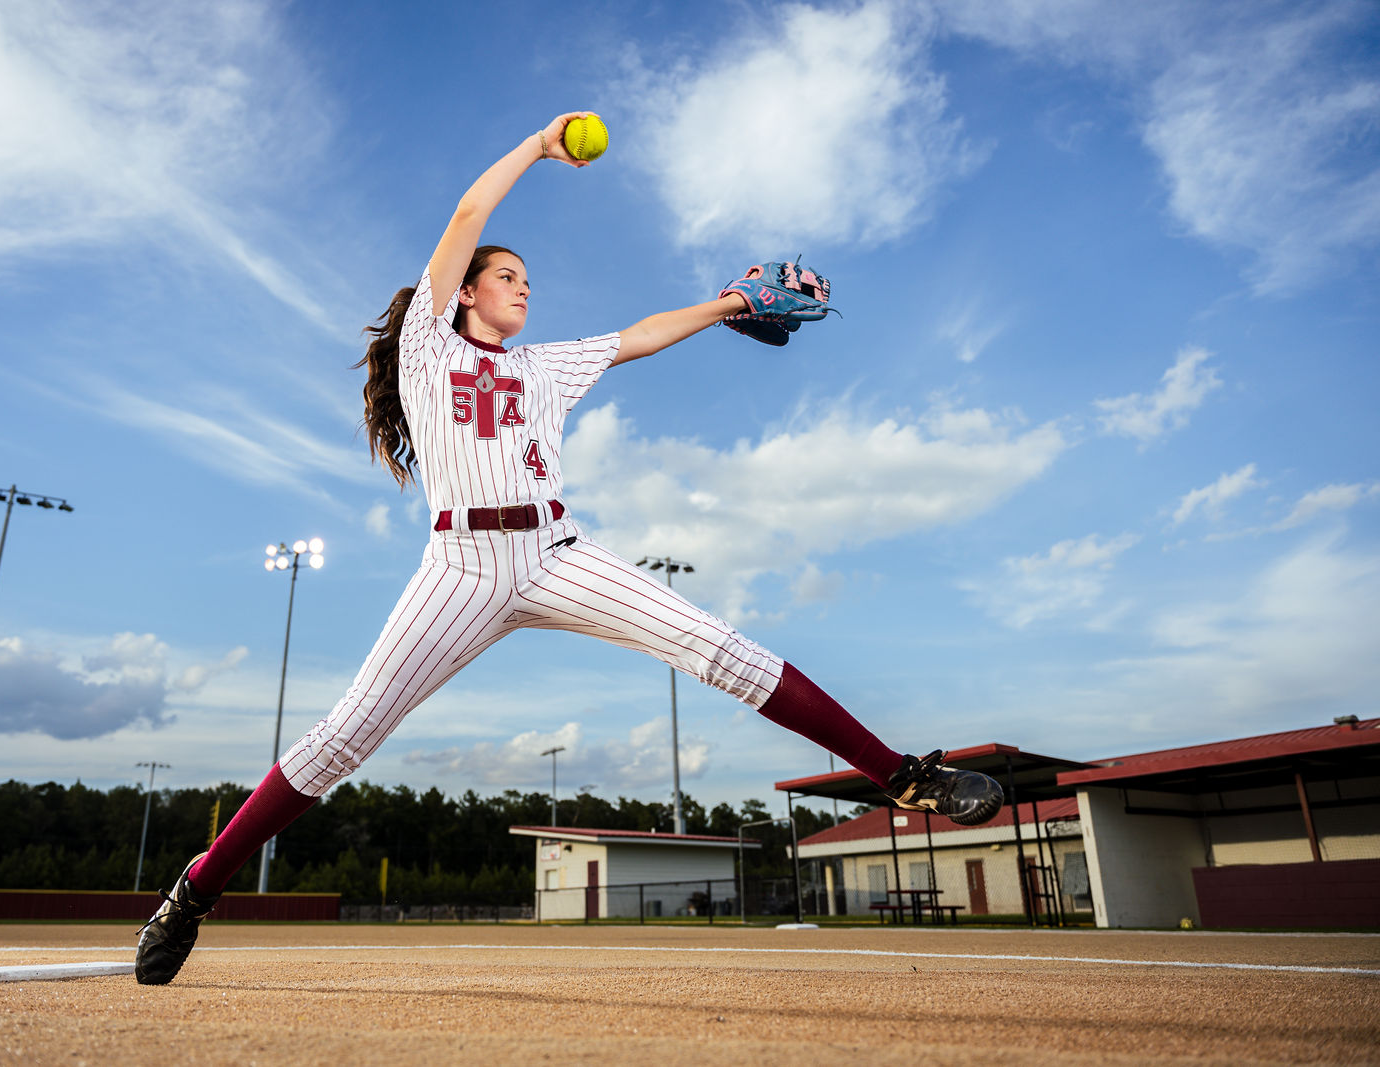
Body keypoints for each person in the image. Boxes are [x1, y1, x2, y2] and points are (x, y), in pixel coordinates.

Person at [136, 112, 1002, 984]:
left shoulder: (545, 367)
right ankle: (194, 891)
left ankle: (901, 775)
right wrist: (537, 147)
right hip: (461, 569)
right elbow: (467, 215)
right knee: (340, 741)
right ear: (464, 293)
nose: (521, 288)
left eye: (526, 279)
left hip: (555, 550)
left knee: (722, 650)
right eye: (505, 277)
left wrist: (733, 302)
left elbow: (640, 334)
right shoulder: (426, 350)